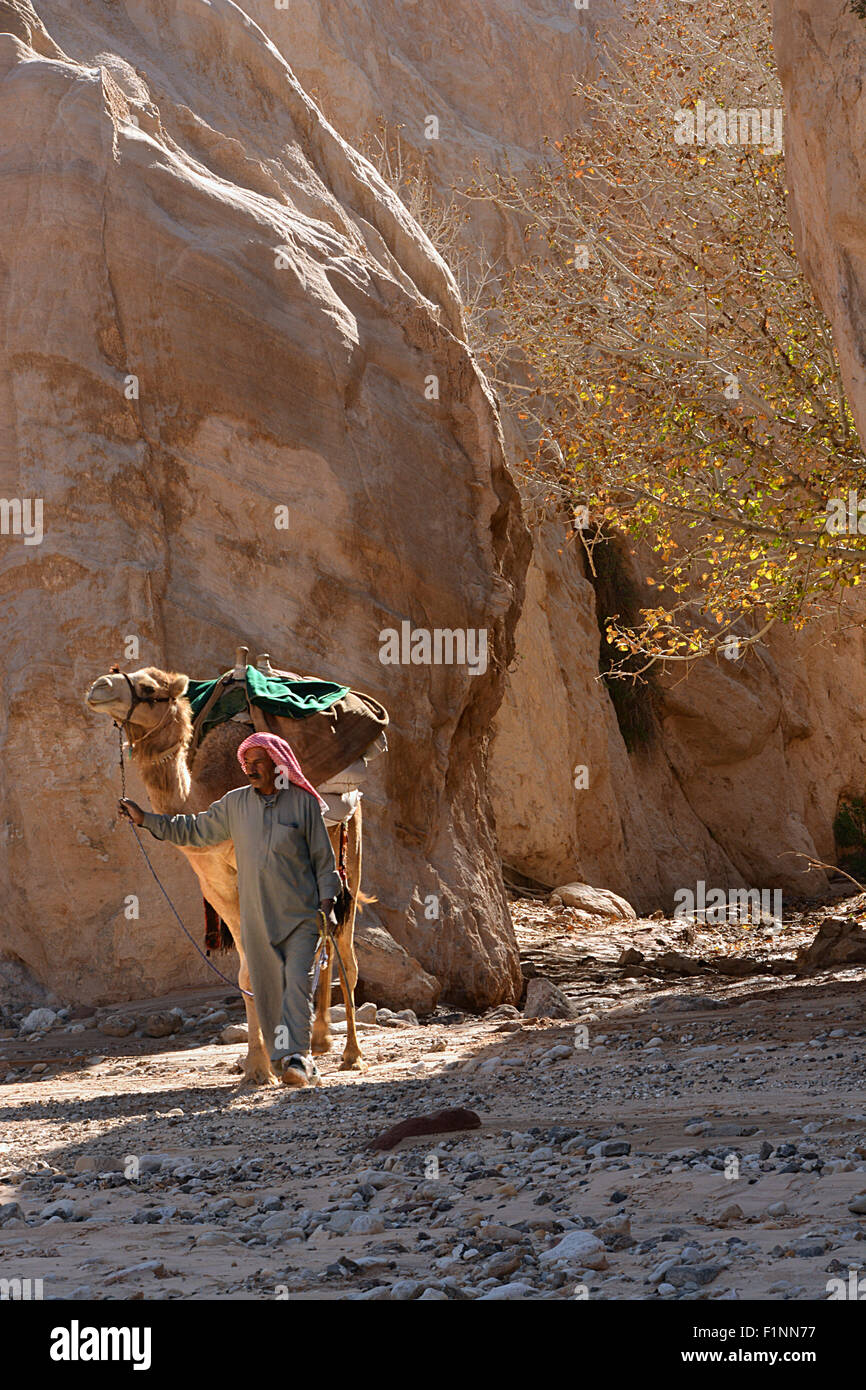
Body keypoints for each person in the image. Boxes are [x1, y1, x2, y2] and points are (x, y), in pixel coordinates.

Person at [118, 732, 339, 1088]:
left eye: (259, 763)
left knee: (295, 983)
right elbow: (192, 828)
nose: (251, 769)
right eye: (246, 764)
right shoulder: (235, 804)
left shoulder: (303, 806)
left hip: (300, 915)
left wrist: (328, 905)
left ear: (277, 764)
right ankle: (288, 1060)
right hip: (256, 918)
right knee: (265, 991)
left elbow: (323, 862)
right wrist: (146, 819)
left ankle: (300, 1058)